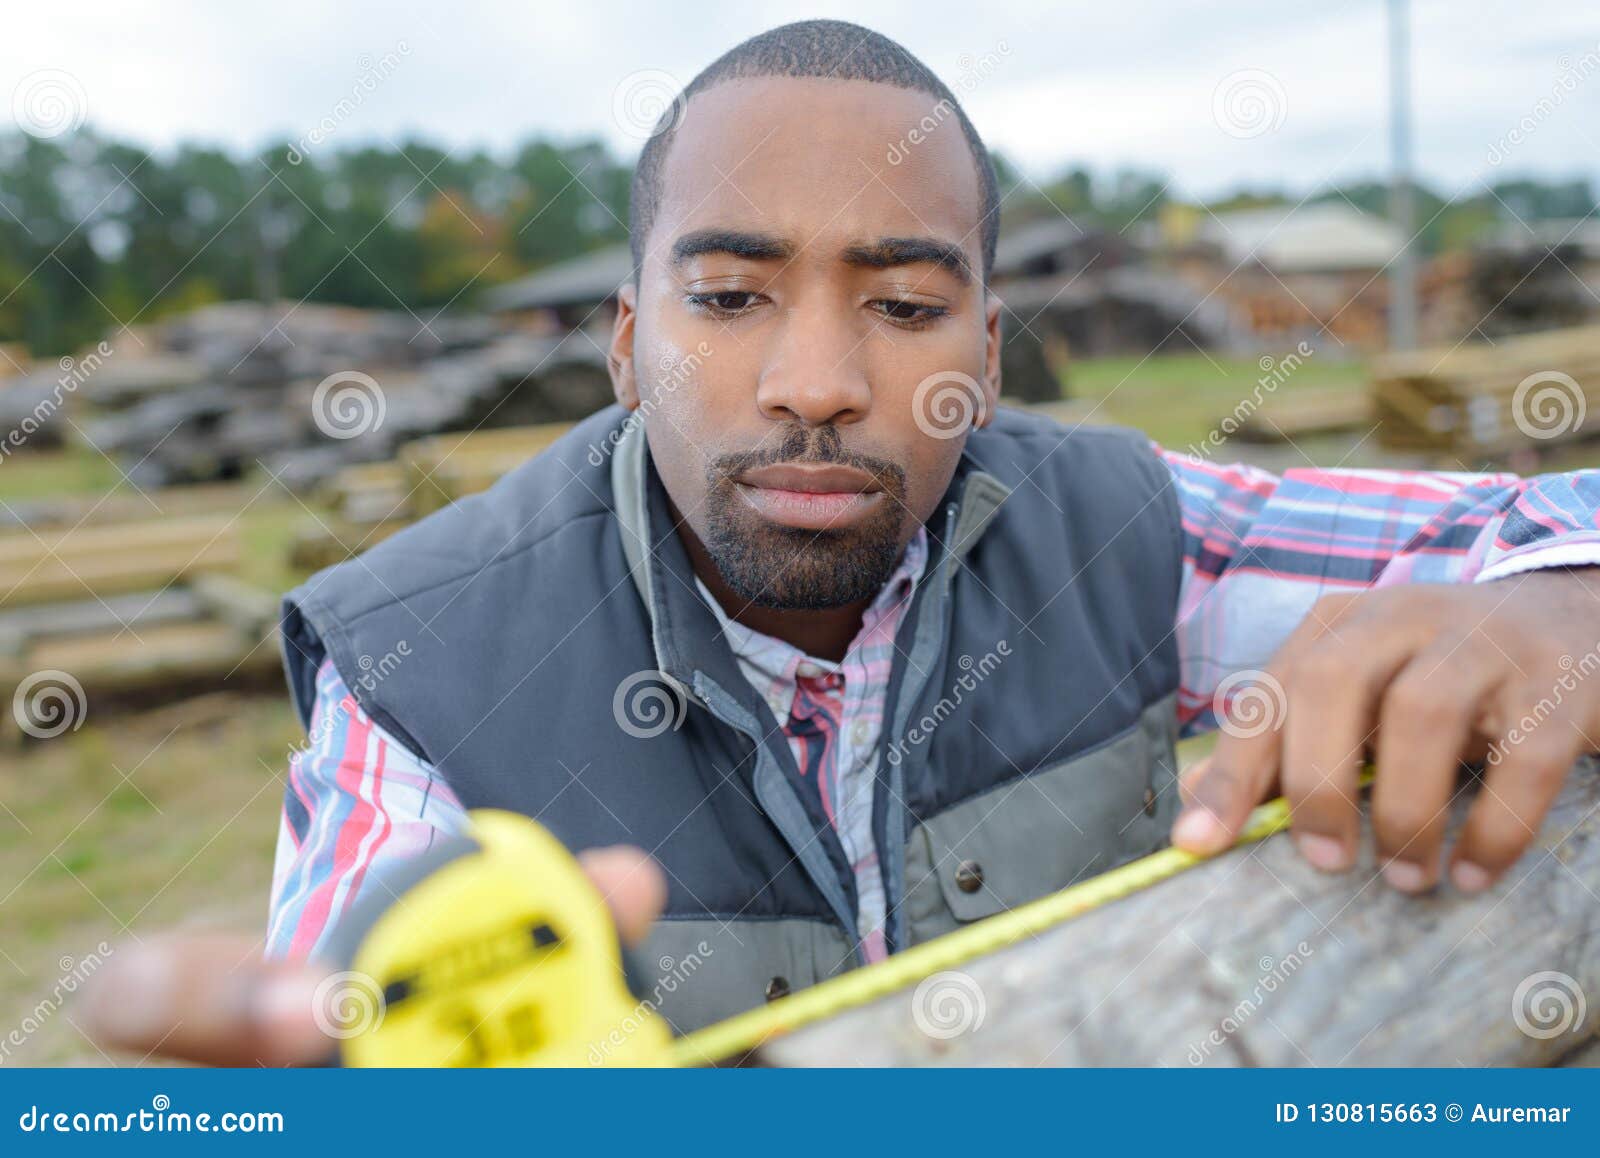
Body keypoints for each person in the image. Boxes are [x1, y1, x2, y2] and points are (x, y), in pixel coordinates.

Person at [93, 19, 1600, 1059]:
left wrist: (1557, 598)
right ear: (627, 345)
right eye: (731, 297)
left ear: (990, 353)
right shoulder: (421, 659)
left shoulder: (1123, 533)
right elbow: (355, 990)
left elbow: (1531, 531)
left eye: (901, 305)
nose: (816, 381)